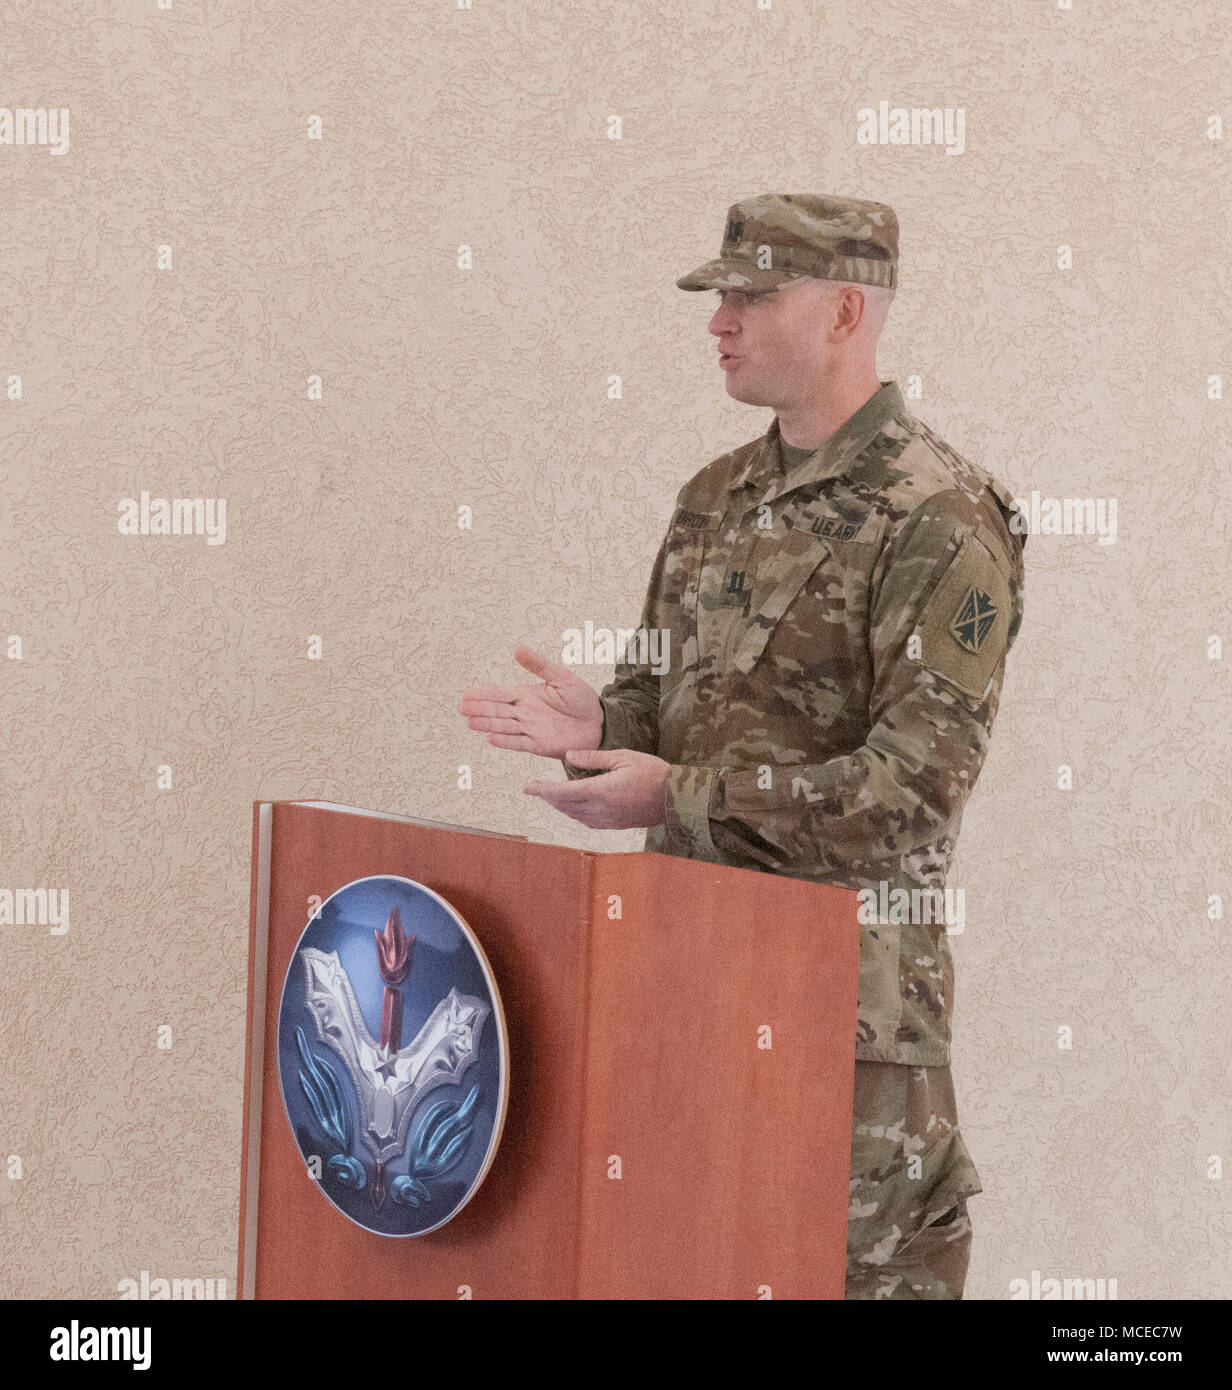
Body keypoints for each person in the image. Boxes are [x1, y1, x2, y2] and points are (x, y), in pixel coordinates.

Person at [458, 192, 1026, 1298]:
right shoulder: (714, 499)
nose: (718, 320)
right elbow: (655, 705)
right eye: (718, 295)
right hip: (679, 989)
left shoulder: (939, 517)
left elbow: (910, 792)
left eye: (752, 295)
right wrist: (599, 733)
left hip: (842, 1029)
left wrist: (677, 796)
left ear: (844, 312)